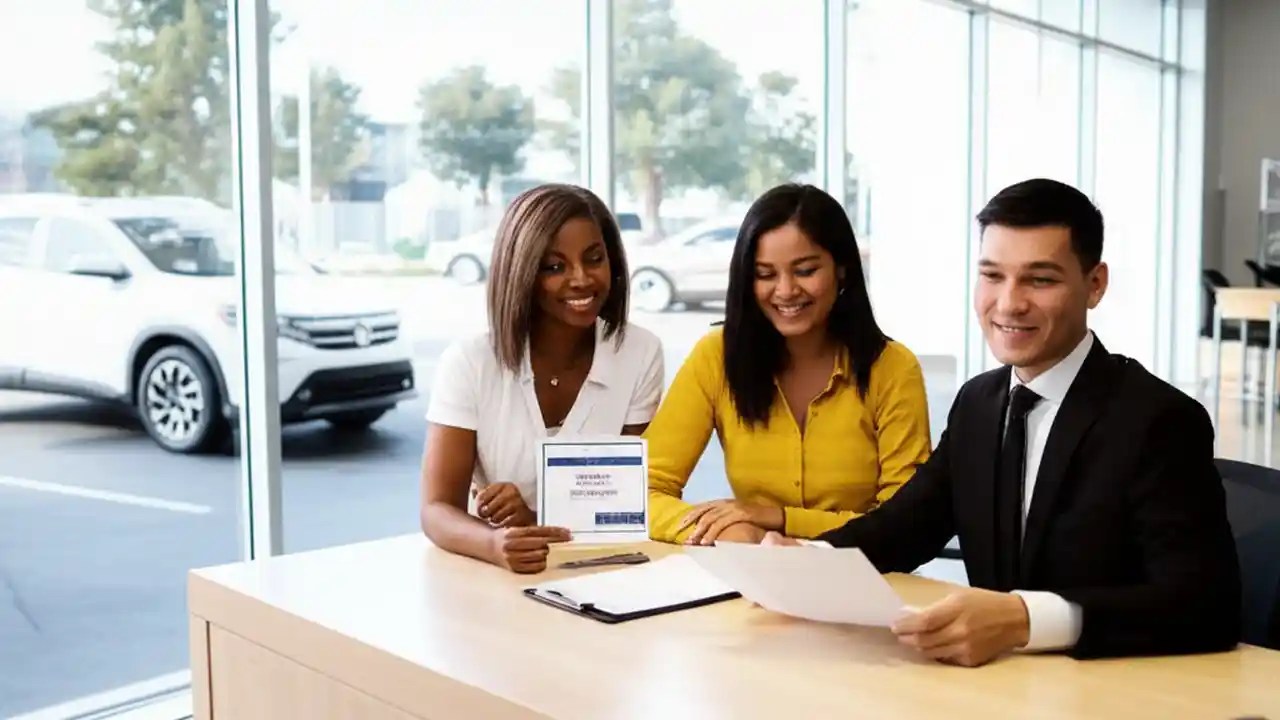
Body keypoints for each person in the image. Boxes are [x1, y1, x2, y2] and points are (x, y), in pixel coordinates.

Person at [766, 178, 1241, 665]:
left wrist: (1023, 619)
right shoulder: (979, 403)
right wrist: (810, 559)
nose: (1009, 303)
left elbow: (1204, 603)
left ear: (1094, 284)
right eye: (992, 276)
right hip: (997, 690)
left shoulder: (1158, 420)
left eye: (1041, 279)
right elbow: (903, 527)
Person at [645, 184, 932, 545]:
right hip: (753, 577)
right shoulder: (715, 357)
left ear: (842, 269)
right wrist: (732, 531)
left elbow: (903, 520)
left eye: (805, 270)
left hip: (864, 577)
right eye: (765, 274)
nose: (785, 291)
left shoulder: (892, 368)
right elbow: (644, 490)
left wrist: (779, 520)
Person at [420, 184, 664, 574]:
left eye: (594, 259)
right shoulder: (469, 361)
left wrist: (532, 517)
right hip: (490, 578)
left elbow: (631, 503)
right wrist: (494, 543)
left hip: (599, 571)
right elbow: (436, 510)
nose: (581, 279)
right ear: (522, 272)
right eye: (554, 267)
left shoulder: (639, 351)